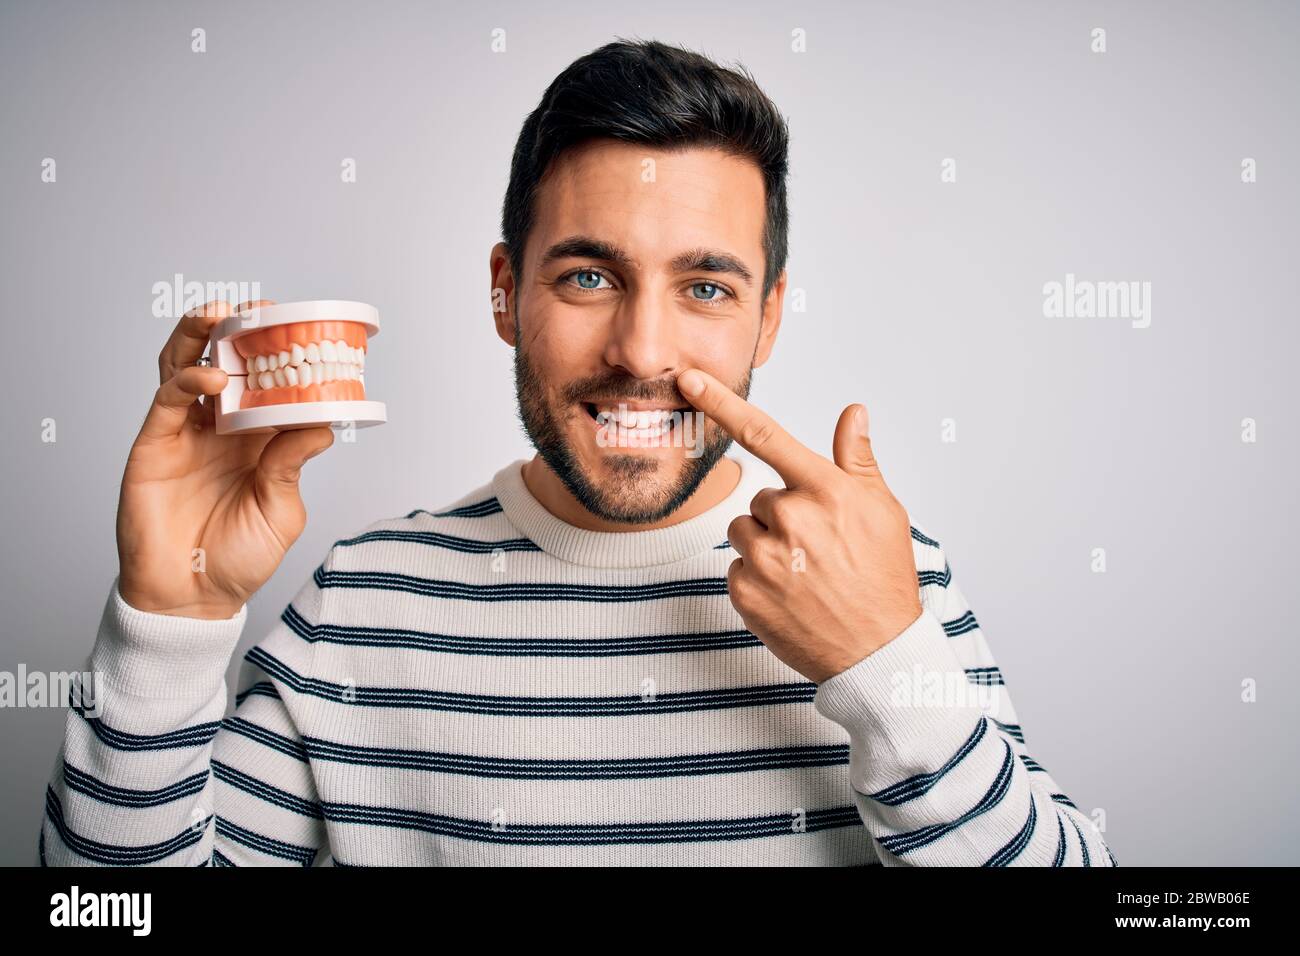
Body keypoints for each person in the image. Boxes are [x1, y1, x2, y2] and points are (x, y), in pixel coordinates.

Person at [40, 38, 1116, 866]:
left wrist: (885, 664)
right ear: (505, 291)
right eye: (588, 276)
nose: (642, 351)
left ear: (768, 318)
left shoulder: (888, 583)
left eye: (704, 287)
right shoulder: (359, 608)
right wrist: (165, 621)